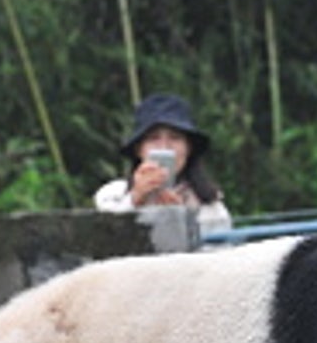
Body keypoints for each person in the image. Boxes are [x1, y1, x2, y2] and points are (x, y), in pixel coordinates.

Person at [93, 93, 232, 236]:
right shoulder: (112, 195)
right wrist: (135, 199)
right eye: (154, 138)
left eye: (175, 138)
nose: (164, 147)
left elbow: (218, 253)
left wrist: (180, 220)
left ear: (188, 148)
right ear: (139, 149)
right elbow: (107, 242)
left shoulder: (211, 207)